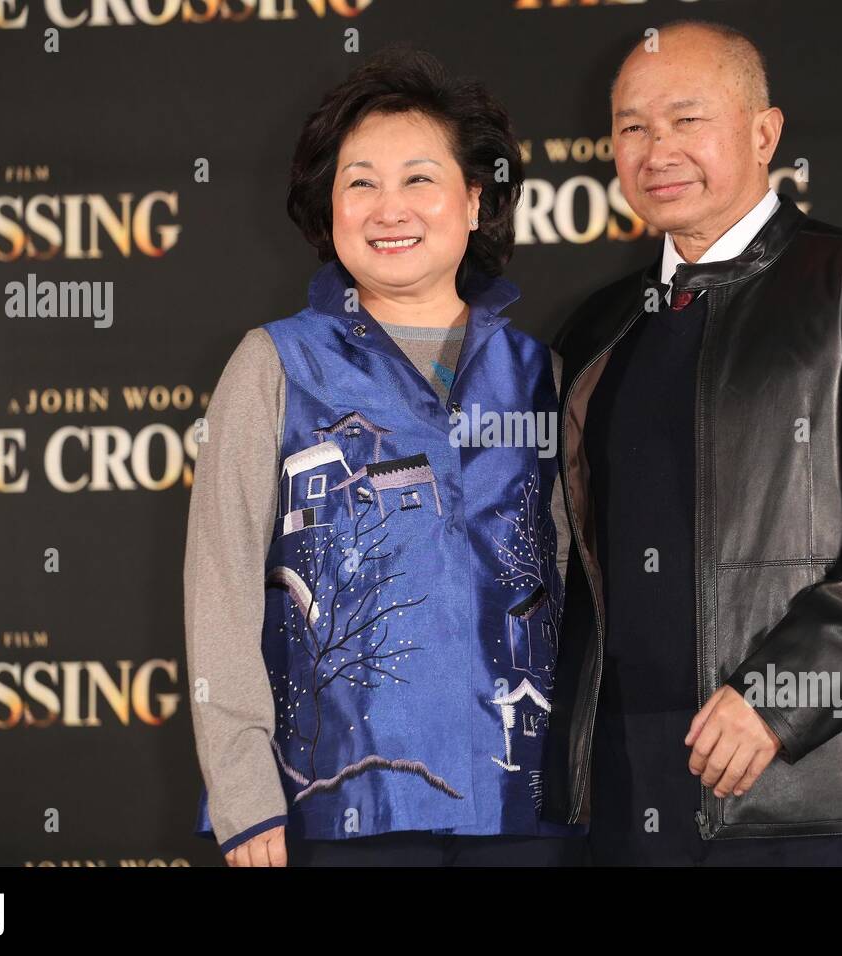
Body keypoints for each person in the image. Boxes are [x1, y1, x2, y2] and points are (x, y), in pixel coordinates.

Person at [542, 20, 842, 865]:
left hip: (809, 787)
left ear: (764, 132)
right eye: (632, 126)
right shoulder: (600, 327)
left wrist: (781, 698)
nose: (656, 149)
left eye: (687, 119)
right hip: (623, 791)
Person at [184, 47, 580, 866]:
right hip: (339, 805)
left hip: (523, 801)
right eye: (360, 182)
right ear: (327, 210)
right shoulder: (275, 364)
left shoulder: (542, 373)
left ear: (474, 201)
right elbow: (219, 582)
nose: (388, 207)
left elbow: (574, 580)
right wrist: (244, 792)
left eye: (419, 179)